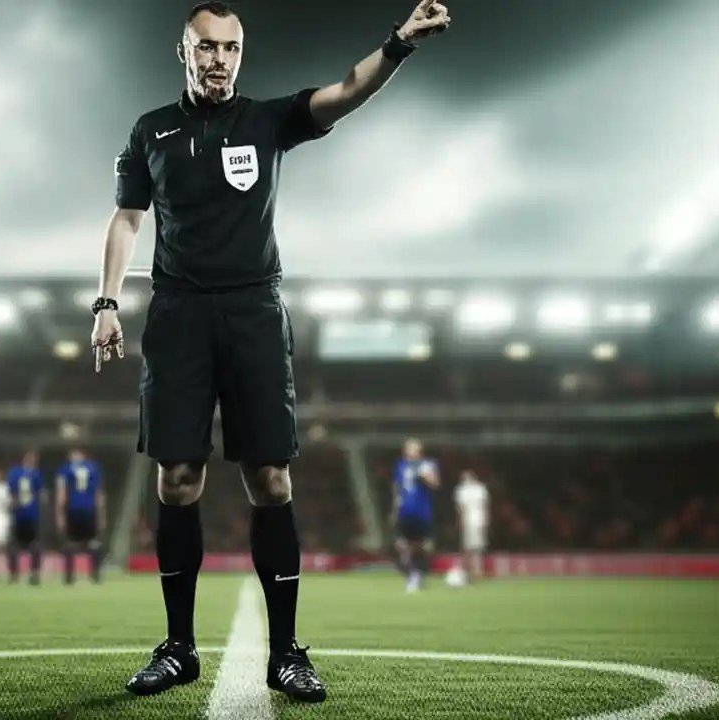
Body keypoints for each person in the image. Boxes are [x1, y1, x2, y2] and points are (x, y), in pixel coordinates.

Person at [88, 0, 452, 703]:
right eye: (207, 46)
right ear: (184, 52)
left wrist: (399, 43)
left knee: (272, 480)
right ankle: (178, 648)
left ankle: (286, 653)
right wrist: (107, 302)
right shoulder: (150, 130)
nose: (219, 59)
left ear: (240, 55)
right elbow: (127, 218)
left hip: (254, 312)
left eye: (231, 47)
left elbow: (347, 91)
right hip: (179, 315)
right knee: (177, 480)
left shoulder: (266, 121)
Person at [393, 439, 440, 593]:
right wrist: (394, 509)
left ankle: (418, 574)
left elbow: (435, 484)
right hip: (405, 511)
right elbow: (398, 488)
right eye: (407, 449)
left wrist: (425, 477)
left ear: (419, 451)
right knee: (401, 545)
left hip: (421, 511)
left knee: (422, 545)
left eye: (412, 449)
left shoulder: (427, 464)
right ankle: (413, 574)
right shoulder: (401, 465)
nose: (408, 451)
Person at [54, 449, 106, 585]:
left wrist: (60, 514)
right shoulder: (93, 467)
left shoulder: (65, 468)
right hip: (89, 510)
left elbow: (61, 493)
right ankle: (95, 575)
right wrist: (101, 515)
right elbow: (99, 494)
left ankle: (69, 577)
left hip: (74, 509)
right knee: (93, 542)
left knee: (71, 543)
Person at [7, 450, 46, 585]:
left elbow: (40, 493)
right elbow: (11, 493)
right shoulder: (19, 473)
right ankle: (16, 575)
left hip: (29, 515)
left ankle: (32, 575)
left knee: (32, 545)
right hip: (22, 514)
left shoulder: (32, 473)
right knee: (16, 545)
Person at [454, 470, 490, 581]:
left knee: (476, 547)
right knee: (469, 547)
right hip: (470, 521)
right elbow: (461, 509)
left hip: (477, 521)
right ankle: (470, 570)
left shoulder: (479, 489)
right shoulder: (462, 490)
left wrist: (486, 519)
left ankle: (476, 570)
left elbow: (484, 506)